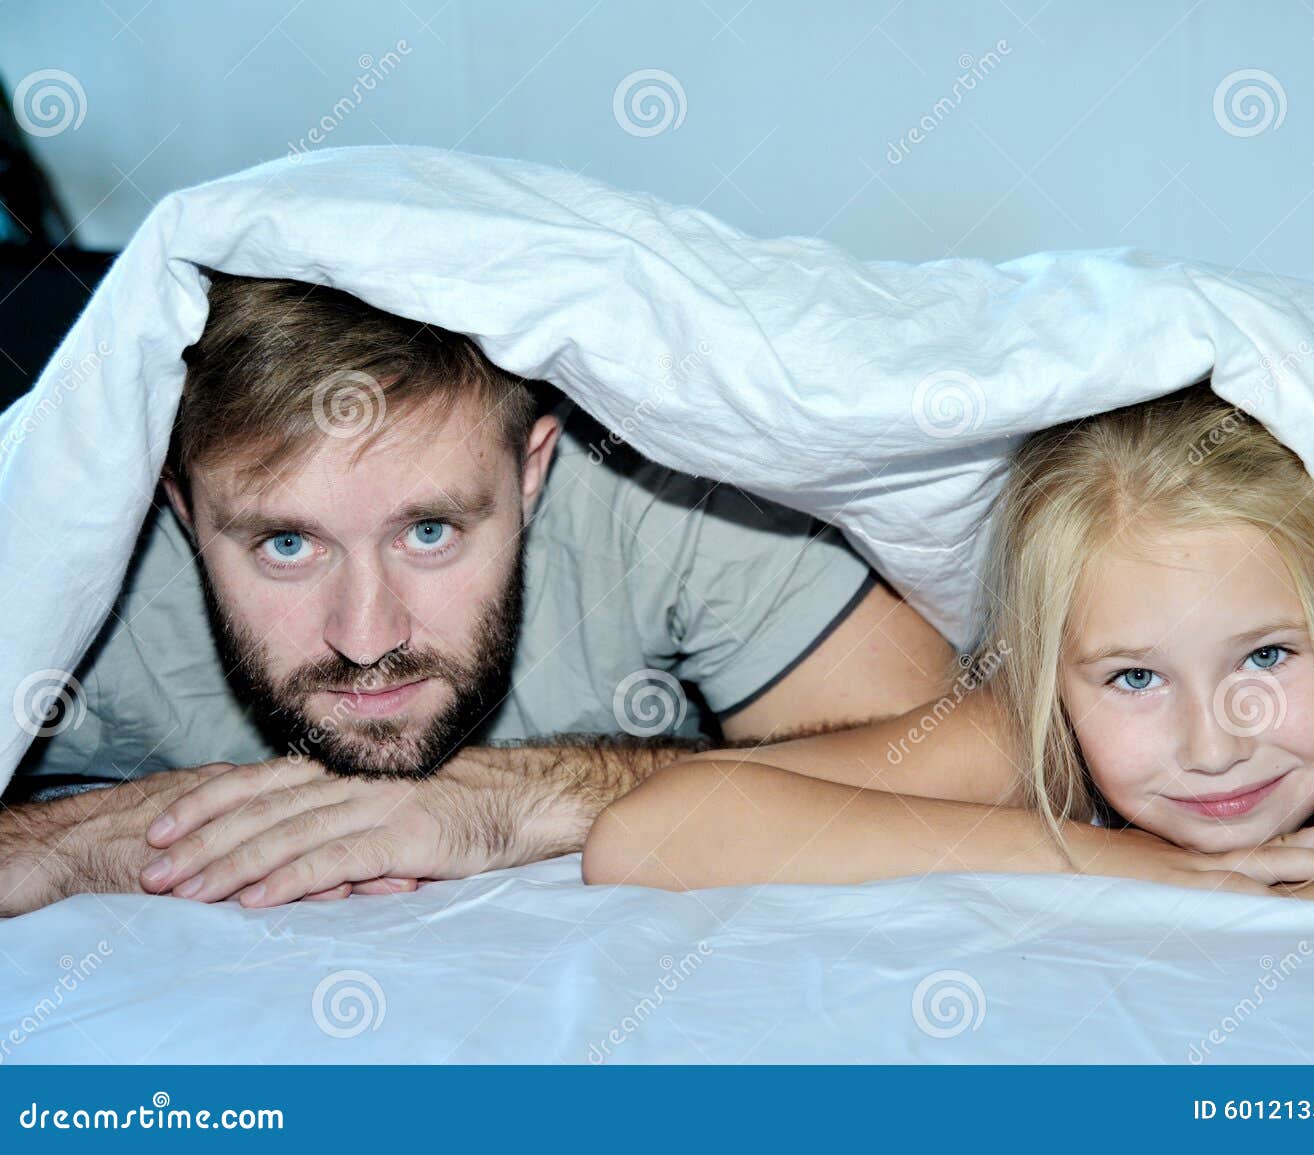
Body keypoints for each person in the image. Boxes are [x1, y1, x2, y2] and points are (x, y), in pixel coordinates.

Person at [0, 274, 956, 915]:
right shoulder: (66, 546)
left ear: (532, 469)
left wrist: (523, 800)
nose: (367, 636)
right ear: (176, 500)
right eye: (286, 544)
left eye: (430, 532)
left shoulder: (661, 490)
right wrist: (62, 842)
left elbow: (980, 756)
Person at [583, 386, 1314, 907]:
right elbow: (657, 834)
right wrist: (1118, 864)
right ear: (1047, 664)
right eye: (1134, 677)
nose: (1210, 746)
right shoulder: (1038, 721)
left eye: (1265, 658)